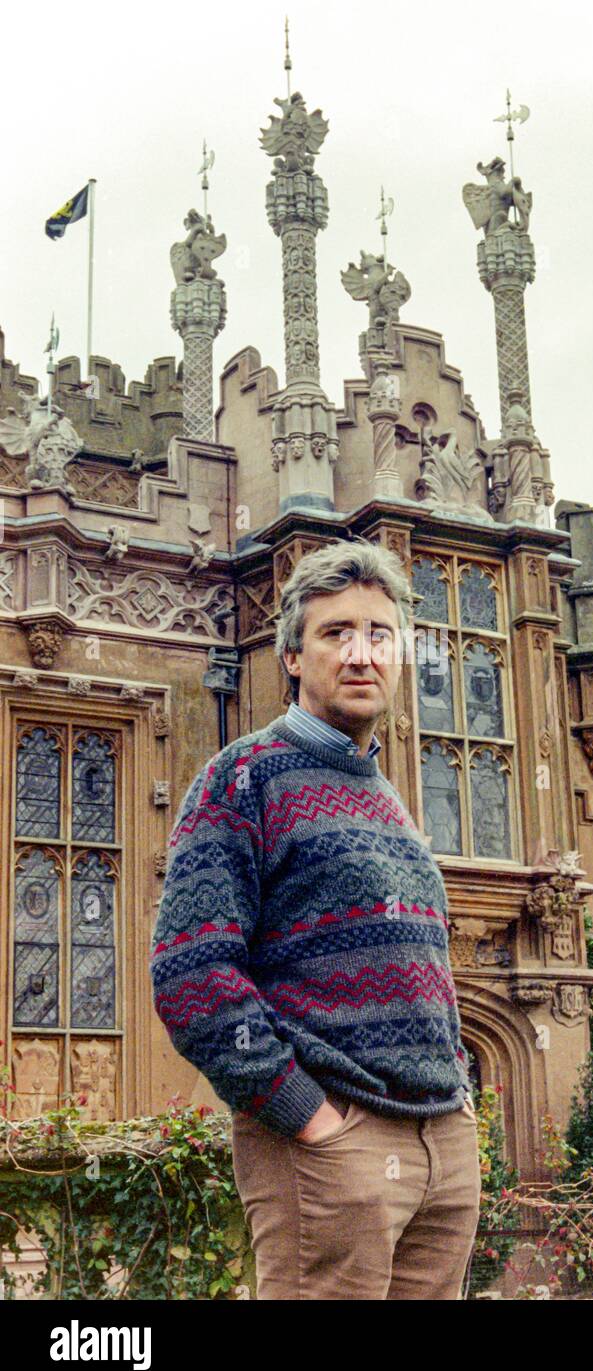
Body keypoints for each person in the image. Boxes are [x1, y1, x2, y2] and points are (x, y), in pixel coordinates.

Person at [150, 538, 481, 1299]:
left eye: (379, 634)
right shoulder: (244, 776)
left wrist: (457, 1106)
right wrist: (308, 1117)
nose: (361, 654)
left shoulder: (386, 797)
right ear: (292, 656)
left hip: (441, 1144)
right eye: (336, 633)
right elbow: (192, 976)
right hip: (333, 1150)